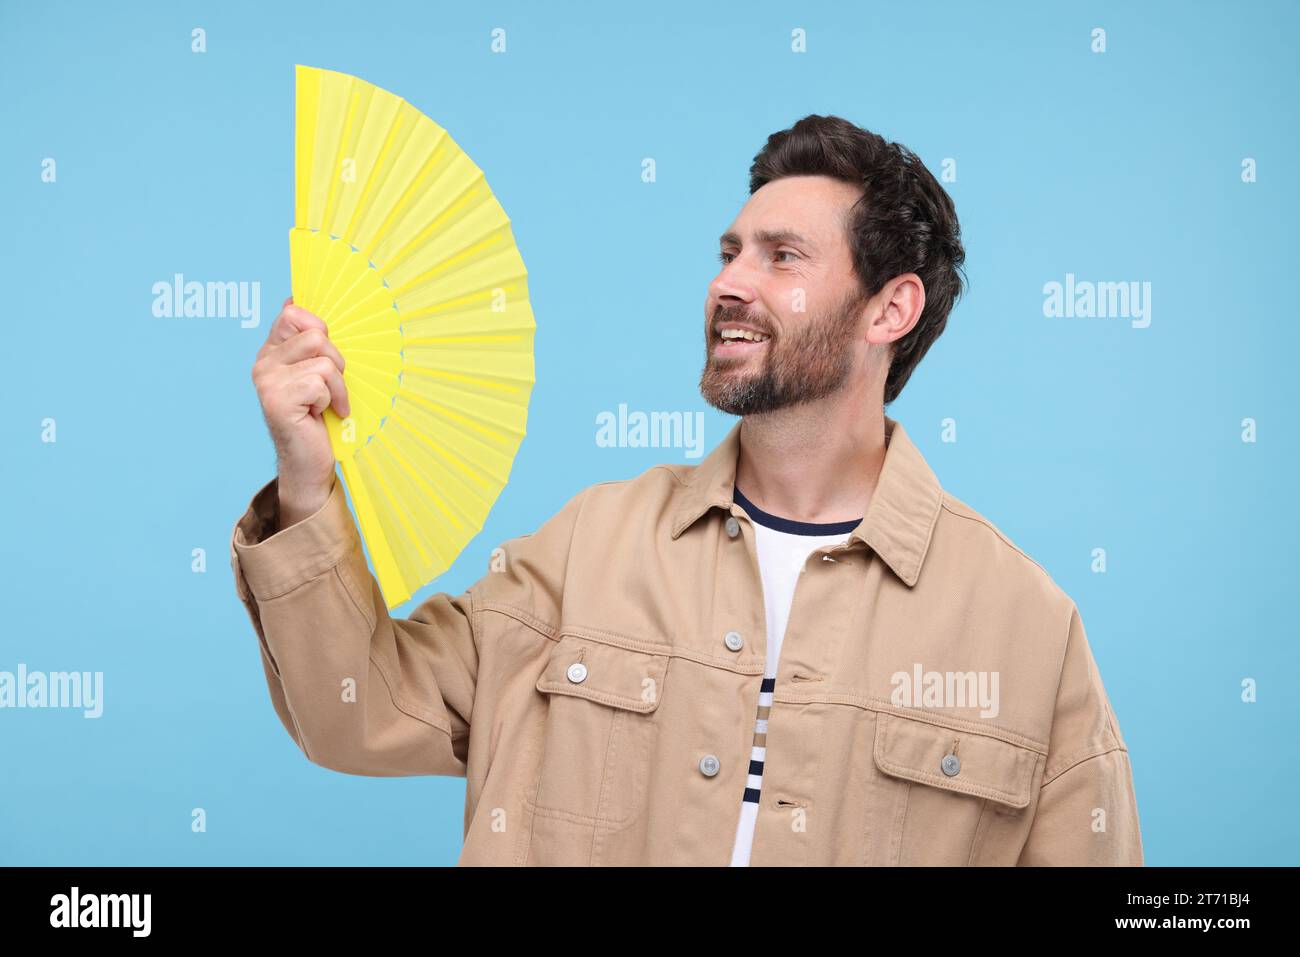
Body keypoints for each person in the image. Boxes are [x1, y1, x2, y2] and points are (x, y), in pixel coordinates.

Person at [230, 114, 1143, 866]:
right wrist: (309, 481)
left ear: (889, 310)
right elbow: (356, 714)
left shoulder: (1028, 628)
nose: (728, 283)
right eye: (731, 250)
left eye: (782, 256)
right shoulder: (593, 543)